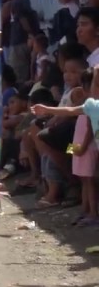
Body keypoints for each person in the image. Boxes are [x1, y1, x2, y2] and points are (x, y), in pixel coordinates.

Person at [31, 68, 99, 225]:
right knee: (85, 180)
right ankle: (86, 211)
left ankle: (91, 212)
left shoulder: (92, 108)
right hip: (81, 149)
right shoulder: (91, 106)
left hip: (86, 150)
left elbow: (89, 130)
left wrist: (81, 148)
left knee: (89, 181)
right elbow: (69, 110)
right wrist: (47, 109)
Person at [3, 0, 38, 85]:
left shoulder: (17, 2)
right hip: (21, 42)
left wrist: (30, 35)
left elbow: (24, 20)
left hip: (19, 43)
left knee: (17, 74)